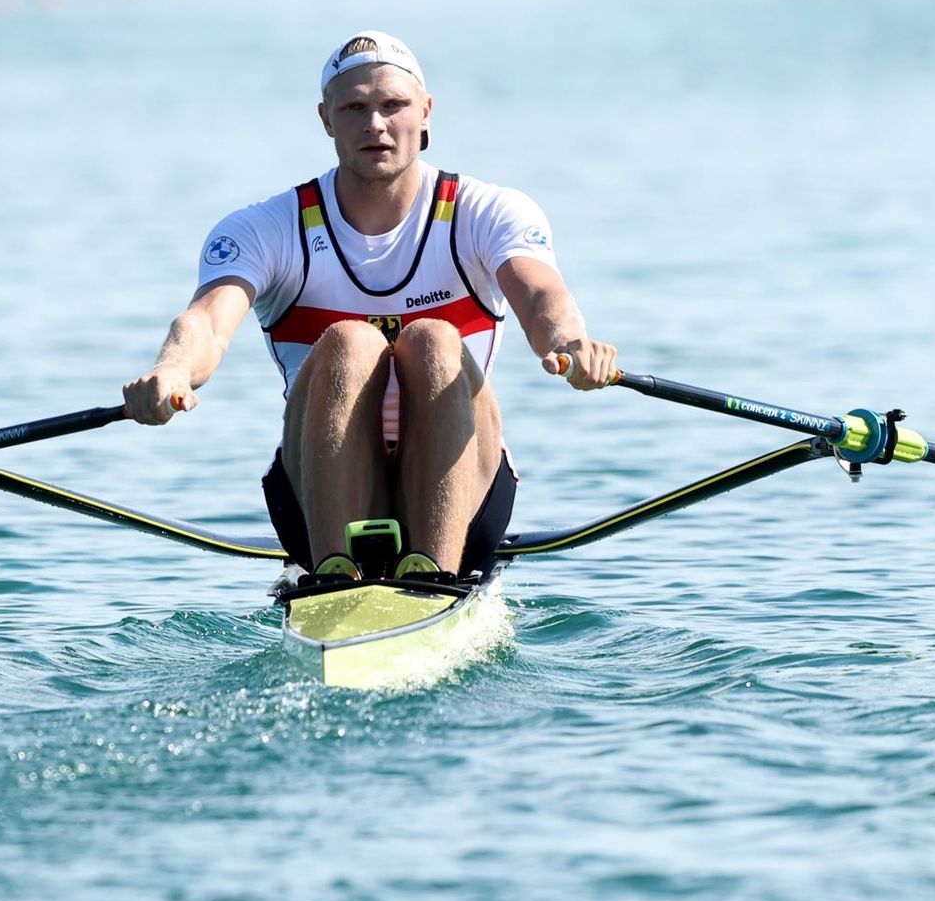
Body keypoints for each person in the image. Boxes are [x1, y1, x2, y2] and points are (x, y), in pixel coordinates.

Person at [122, 31, 617, 581]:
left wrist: (570, 343)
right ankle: (334, 575)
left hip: (468, 500)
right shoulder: (266, 229)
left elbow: (542, 295)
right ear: (326, 119)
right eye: (354, 107)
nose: (375, 124)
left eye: (393, 105)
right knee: (350, 341)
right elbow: (208, 324)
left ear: (425, 112)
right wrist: (170, 370)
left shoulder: (486, 211)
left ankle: (432, 570)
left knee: (432, 338)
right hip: (313, 502)